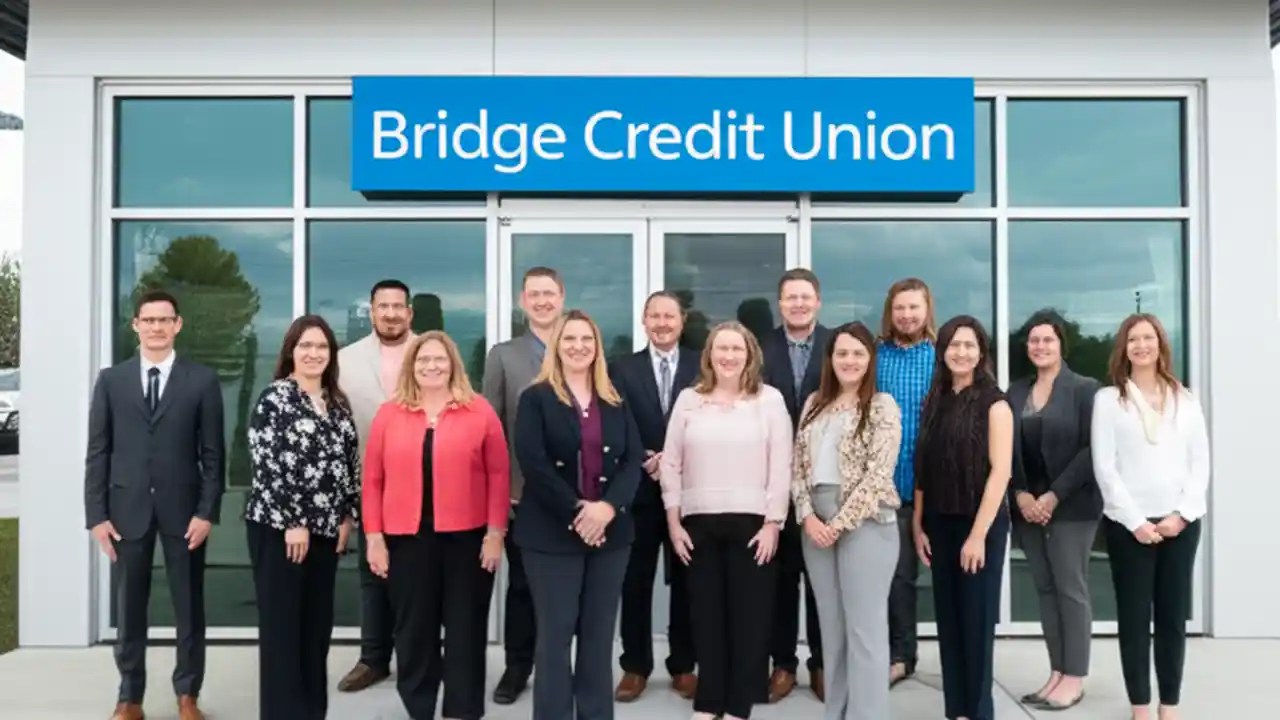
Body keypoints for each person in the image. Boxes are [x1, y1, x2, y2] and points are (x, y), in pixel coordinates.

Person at [84, 289, 225, 720]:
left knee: (189, 606)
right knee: (129, 609)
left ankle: (188, 695)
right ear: (136, 326)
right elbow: (98, 452)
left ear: (178, 325)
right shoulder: (112, 381)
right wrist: (96, 516)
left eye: (165, 320)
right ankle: (130, 697)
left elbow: (213, 455)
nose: (157, 327)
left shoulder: (201, 381)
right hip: (125, 513)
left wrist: (206, 512)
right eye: (149, 320)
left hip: (185, 514)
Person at [362, 330, 510, 720]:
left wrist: (495, 533)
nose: (432, 366)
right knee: (413, 630)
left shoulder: (479, 411)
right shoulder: (389, 414)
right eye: (423, 359)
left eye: (439, 359)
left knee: (465, 628)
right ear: (412, 366)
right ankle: (419, 706)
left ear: (452, 365)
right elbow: (372, 479)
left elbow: (499, 475)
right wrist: (374, 537)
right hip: (406, 540)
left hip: (467, 539)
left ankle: (462, 709)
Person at [512, 309, 644, 720]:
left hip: (610, 535)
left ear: (597, 347)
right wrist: (578, 513)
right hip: (550, 535)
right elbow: (533, 463)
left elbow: (633, 459)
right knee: (555, 638)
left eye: (587, 339)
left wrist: (607, 508)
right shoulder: (535, 398)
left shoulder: (615, 398)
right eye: (569, 339)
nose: (578, 346)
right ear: (557, 346)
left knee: (597, 638)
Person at [662, 321, 793, 720]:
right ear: (709, 355)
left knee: (749, 617)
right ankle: (709, 699)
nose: (729, 356)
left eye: (737, 349)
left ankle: (739, 704)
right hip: (697, 524)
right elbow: (671, 462)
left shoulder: (769, 400)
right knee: (706, 616)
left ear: (750, 354)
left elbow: (781, 465)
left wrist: (774, 523)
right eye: (722, 348)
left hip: (753, 525)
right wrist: (674, 522)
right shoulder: (689, 400)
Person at [1091, 313, 1209, 720]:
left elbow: (1200, 464)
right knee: (1134, 619)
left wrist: (1181, 515)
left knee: (1172, 618)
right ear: (1123, 348)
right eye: (1133, 339)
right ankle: (1140, 706)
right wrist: (1136, 522)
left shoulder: (1186, 399)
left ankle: (1168, 705)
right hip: (1129, 528)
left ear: (1160, 344)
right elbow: (1105, 467)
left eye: (1148, 338)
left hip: (1180, 525)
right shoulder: (1109, 400)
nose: (1141, 345)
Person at [244, 314, 359, 720]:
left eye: (322, 346)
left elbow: (349, 465)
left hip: (327, 532)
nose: (314, 353)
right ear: (291, 351)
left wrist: (347, 516)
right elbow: (267, 464)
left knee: (315, 630)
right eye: (305, 345)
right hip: (280, 531)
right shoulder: (275, 399)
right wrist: (293, 521)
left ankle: (312, 712)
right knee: (283, 632)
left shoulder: (337, 404)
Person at [792, 321, 903, 720]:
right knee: (832, 628)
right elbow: (797, 468)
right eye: (842, 353)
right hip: (815, 523)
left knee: (864, 631)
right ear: (831, 359)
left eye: (858, 353)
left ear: (870, 359)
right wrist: (807, 516)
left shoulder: (882, 406)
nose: (849, 360)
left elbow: (878, 475)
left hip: (866, 523)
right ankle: (835, 712)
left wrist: (838, 524)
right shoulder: (813, 405)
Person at [912, 315, 1013, 720]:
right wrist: (918, 523)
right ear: (942, 351)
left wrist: (977, 536)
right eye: (954, 344)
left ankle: (979, 711)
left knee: (976, 623)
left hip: (980, 525)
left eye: (969, 345)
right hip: (939, 522)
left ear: (981, 352)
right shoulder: (934, 401)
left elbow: (1001, 472)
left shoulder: (995, 404)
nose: (961, 352)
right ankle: (956, 710)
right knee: (949, 623)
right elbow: (923, 466)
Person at [1007, 311, 1102, 711]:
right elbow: (1005, 448)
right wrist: (1020, 494)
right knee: (1045, 589)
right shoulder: (1015, 392)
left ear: (1062, 345)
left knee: (1070, 589)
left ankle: (1075, 677)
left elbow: (1092, 449)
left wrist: (1053, 496)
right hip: (1027, 507)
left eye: (1048, 339)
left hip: (1072, 506)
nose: (1040, 346)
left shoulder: (1086, 390)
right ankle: (1057, 671)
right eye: (1033, 340)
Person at [610, 291, 700, 702]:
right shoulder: (621, 368)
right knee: (635, 581)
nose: (662, 323)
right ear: (644, 322)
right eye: (654, 316)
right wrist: (646, 457)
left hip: (691, 490)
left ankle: (683, 665)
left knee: (688, 581)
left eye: (669, 316)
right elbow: (616, 421)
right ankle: (635, 666)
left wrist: (674, 459)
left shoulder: (702, 365)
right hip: (639, 490)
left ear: (682, 321)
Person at [483, 265, 567, 704]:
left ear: (561, 297)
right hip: (523, 495)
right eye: (534, 294)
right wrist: (501, 493)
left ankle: (559, 666)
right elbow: (492, 429)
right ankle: (517, 667)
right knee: (522, 587)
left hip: (574, 496)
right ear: (522, 301)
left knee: (567, 587)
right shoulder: (504, 355)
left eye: (549, 293)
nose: (542, 301)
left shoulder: (580, 347)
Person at [336, 279, 416, 693]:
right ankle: (373, 658)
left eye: (397, 306)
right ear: (372, 312)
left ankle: (416, 658)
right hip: (368, 484)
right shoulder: (344, 360)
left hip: (423, 486)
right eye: (383, 306)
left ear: (409, 312)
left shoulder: (430, 353)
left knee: (417, 576)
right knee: (373, 574)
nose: (390, 313)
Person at [758, 268, 829, 702]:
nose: (798, 304)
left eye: (805, 297)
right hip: (775, 481)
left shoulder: (837, 345)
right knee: (780, 582)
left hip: (825, 481)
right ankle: (782, 664)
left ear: (818, 301)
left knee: (823, 580)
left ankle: (822, 664)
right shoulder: (760, 347)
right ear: (780, 303)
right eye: (791, 297)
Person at [875, 277, 937, 687]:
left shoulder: (943, 357)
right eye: (900, 308)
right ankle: (898, 655)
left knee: (940, 577)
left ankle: (959, 657)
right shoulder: (875, 356)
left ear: (927, 310)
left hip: (933, 486)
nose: (907, 315)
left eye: (914, 307)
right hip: (885, 488)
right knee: (893, 579)